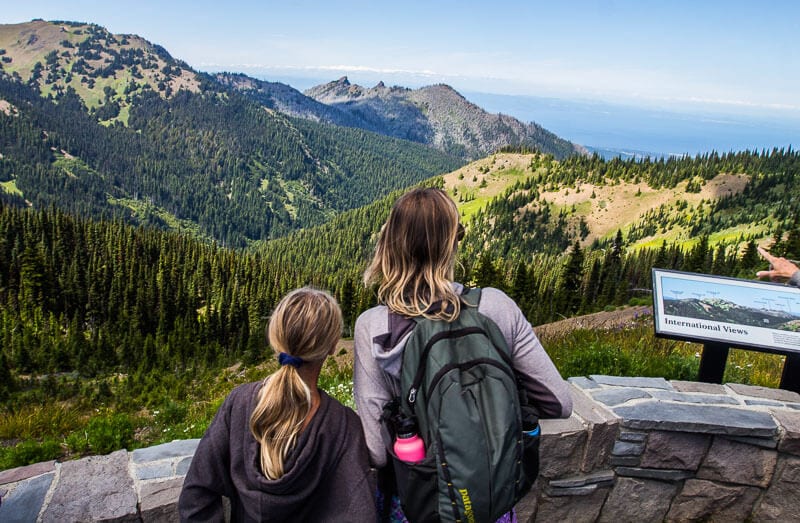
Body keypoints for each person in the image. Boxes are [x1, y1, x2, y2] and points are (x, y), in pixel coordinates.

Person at [353, 187, 573, 520]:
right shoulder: (494, 307)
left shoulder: (375, 328)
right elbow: (559, 402)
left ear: (391, 244)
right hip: (488, 499)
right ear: (451, 245)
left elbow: (377, 451)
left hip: (418, 505)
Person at [179, 287, 377, 522]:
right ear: (333, 346)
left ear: (276, 338)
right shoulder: (342, 425)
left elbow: (196, 495)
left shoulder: (239, 403)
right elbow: (360, 514)